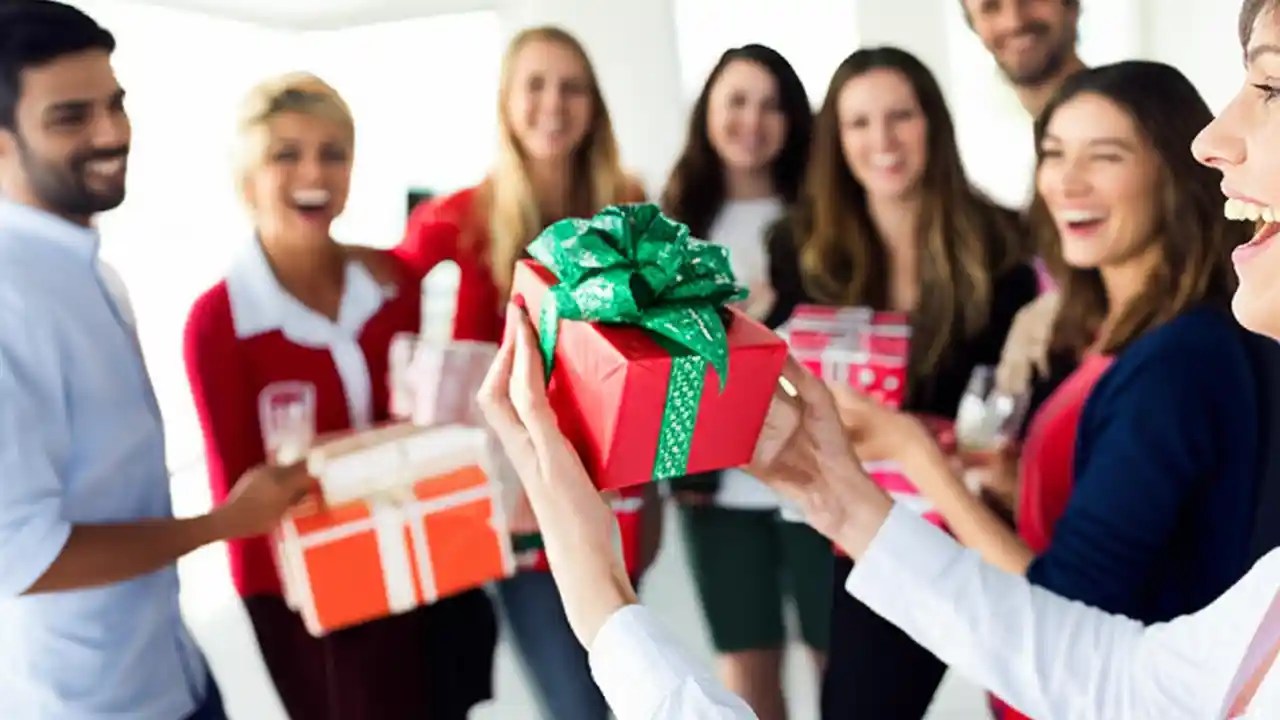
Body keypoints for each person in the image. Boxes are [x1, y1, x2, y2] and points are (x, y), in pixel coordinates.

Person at [838, 60, 1264, 720]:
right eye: (1054, 154)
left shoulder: (1180, 358)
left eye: (1105, 156)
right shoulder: (1112, 330)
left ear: (1174, 176)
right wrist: (1015, 485)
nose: (1067, 183)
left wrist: (916, 455)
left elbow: (1065, 609)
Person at [0, 4, 311, 718]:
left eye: (115, 104)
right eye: (70, 118)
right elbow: (23, 557)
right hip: (94, 700)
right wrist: (224, 524)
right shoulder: (10, 301)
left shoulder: (86, 267)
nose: (112, 133)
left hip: (167, 667)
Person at [183, 72, 497, 719]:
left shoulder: (391, 283)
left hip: (418, 561)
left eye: (334, 153)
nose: (315, 172)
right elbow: (243, 507)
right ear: (247, 180)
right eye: (286, 153)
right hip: (308, 599)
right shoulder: (220, 321)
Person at [760, 46, 1037, 719]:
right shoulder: (801, 248)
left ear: (932, 126)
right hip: (870, 530)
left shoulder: (1001, 242)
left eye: (900, 117)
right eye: (859, 123)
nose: (881, 141)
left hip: (980, 523)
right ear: (836, 139)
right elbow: (776, 380)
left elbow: (1026, 394)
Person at [392, 25, 657, 720]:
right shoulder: (453, 220)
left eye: (571, 87)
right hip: (518, 513)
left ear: (594, 104)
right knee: (581, 704)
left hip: (618, 494)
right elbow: (387, 323)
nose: (553, 104)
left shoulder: (629, 209)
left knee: (633, 686)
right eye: (534, 85)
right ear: (506, 102)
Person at [657, 44, 825, 719]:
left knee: (840, 667)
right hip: (714, 489)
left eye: (770, 104)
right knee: (748, 682)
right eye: (736, 101)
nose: (752, 120)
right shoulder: (669, 225)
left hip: (813, 480)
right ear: (708, 113)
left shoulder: (822, 219)